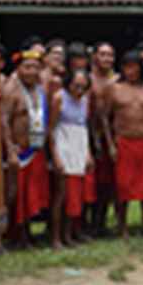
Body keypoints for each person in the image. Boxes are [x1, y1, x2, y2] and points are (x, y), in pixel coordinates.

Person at [104, 50, 143, 238]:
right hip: (123, 142)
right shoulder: (115, 88)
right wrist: (110, 144)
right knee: (123, 186)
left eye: (135, 67)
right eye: (128, 67)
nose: (131, 71)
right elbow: (105, 117)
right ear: (122, 69)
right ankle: (122, 226)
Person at [2, 48, 51, 247]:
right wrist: (10, 150)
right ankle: (16, 235)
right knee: (17, 195)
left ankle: (27, 232)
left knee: (32, 195)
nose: (32, 71)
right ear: (18, 69)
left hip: (36, 148)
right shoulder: (11, 90)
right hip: (19, 151)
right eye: (27, 67)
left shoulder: (40, 89)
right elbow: (3, 121)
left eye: (36, 67)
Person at [50, 69, 95, 247]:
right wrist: (56, 156)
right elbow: (51, 130)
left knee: (75, 195)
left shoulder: (85, 100)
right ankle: (56, 237)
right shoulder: (59, 98)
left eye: (83, 87)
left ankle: (68, 235)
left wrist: (88, 153)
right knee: (61, 194)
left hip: (79, 147)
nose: (79, 90)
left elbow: (85, 128)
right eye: (76, 86)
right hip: (63, 145)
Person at [89, 42, 119, 235]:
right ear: (95, 57)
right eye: (103, 54)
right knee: (89, 182)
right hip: (86, 134)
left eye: (110, 55)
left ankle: (101, 221)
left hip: (111, 136)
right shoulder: (87, 79)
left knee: (108, 182)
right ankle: (84, 222)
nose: (106, 59)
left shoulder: (117, 80)